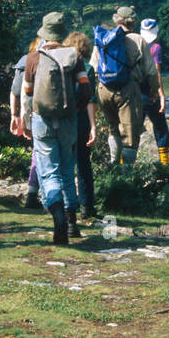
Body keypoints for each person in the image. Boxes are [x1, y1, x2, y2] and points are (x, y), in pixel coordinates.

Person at [20, 12, 92, 245]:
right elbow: (86, 90)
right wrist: (76, 109)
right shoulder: (74, 56)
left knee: (48, 171)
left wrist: (27, 122)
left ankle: (58, 215)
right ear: (62, 34)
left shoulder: (33, 58)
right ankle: (71, 221)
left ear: (44, 32)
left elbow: (27, 95)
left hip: (42, 120)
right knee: (67, 170)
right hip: (69, 120)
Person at [92, 5, 162, 165]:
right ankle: (127, 176)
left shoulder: (102, 38)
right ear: (133, 22)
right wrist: (153, 90)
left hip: (104, 89)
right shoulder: (138, 39)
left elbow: (94, 67)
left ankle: (113, 166)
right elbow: (151, 71)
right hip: (127, 89)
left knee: (113, 129)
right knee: (130, 136)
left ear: (117, 20)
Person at [63, 30, 99, 218]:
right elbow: (90, 100)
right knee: (84, 164)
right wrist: (93, 126)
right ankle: (87, 207)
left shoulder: (62, 65)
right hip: (82, 119)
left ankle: (65, 205)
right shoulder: (88, 68)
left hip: (63, 119)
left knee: (64, 163)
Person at [10, 38, 43, 209]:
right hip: (45, 114)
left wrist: (15, 115)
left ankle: (32, 192)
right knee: (44, 153)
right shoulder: (49, 60)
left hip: (28, 113)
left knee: (37, 153)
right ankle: (40, 195)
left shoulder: (24, 61)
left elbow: (15, 91)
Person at [138, 17, 169, 166]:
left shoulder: (133, 44)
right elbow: (156, 73)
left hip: (133, 93)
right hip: (150, 93)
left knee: (132, 131)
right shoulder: (156, 48)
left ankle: (125, 169)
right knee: (160, 127)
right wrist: (162, 96)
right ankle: (165, 166)